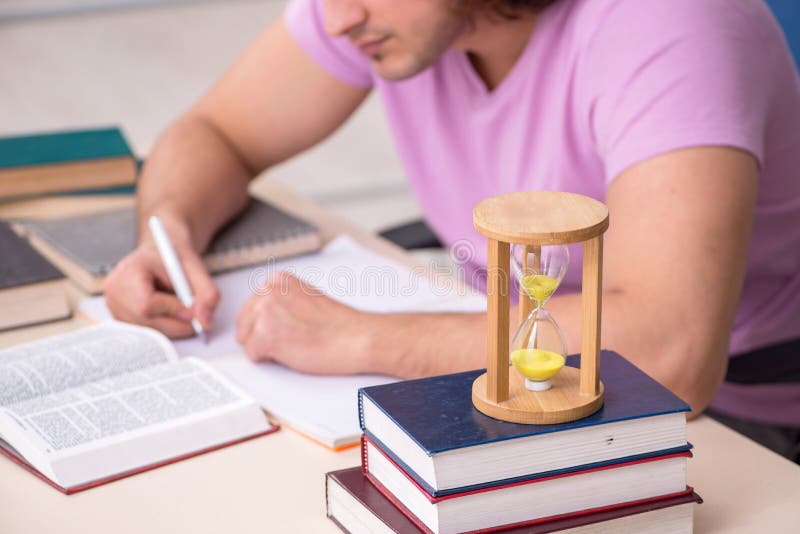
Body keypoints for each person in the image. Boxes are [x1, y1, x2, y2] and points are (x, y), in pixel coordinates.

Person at [104, 0, 800, 460]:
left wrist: (364, 339)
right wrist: (169, 229)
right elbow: (215, 132)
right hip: (504, 353)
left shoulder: (672, 23)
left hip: (737, 420)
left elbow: (671, 354)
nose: (338, 17)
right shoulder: (385, 18)